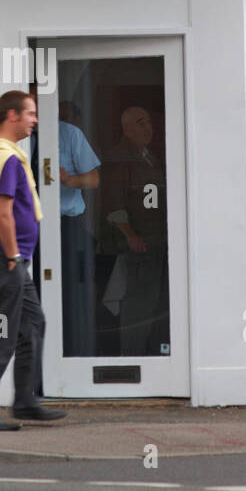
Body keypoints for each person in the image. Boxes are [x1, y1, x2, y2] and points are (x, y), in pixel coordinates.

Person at [0, 90, 66, 431]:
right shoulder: (5, 158)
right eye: (30, 114)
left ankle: (24, 400)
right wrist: (11, 257)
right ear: (11, 115)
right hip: (6, 258)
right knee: (1, 334)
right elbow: (1, 214)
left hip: (5, 258)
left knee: (33, 323)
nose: (35, 120)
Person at [103, 106, 169, 356]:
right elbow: (113, 202)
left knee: (154, 304)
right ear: (126, 128)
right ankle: (132, 356)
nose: (148, 128)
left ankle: (151, 355)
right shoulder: (119, 157)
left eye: (149, 122)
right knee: (138, 305)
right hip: (140, 245)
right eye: (141, 123)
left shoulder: (147, 155)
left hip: (157, 240)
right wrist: (130, 234)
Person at [58, 102, 100, 356]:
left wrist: (68, 180)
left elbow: (93, 179)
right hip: (26, 225)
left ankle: (72, 355)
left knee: (69, 292)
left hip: (66, 227)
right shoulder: (16, 138)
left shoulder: (69, 134)